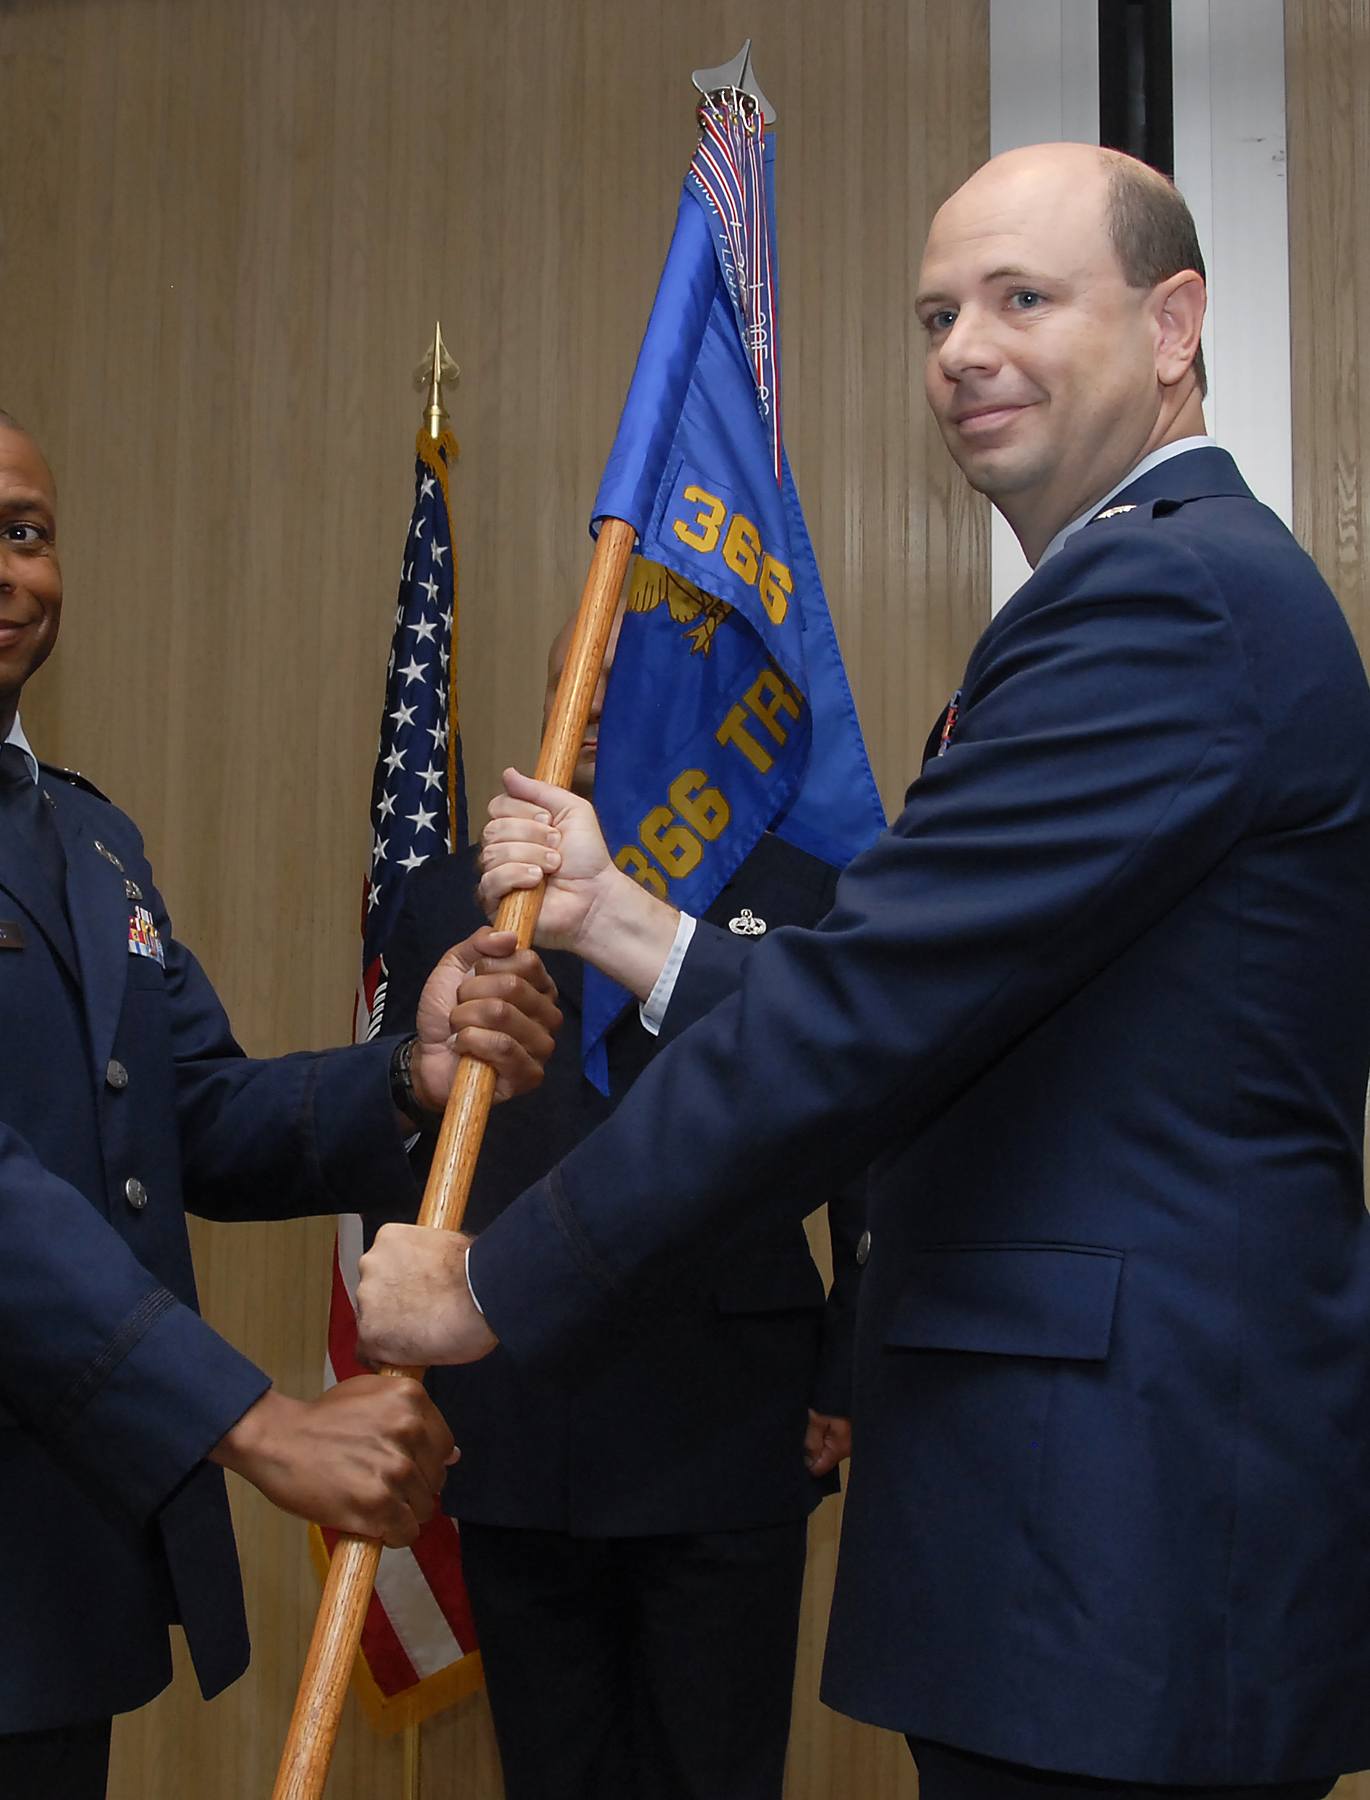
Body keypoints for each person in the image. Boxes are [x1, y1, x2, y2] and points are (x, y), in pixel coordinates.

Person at [357, 145, 1370, 1799]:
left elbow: (865, 1018)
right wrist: (622, 921)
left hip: (1130, 1528)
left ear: (1175, 325)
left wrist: (492, 1286)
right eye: (937, 312)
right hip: (1107, 1530)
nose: (960, 350)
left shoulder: (1165, 602)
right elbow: (938, 1004)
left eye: (1023, 298)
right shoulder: (1153, 590)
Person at [0, 388, 561, 1800]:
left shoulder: (83, 835)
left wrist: (409, 1070)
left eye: (25, 530)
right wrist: (259, 1425)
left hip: (60, 1579)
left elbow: (185, 1111)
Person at [374, 617, 860, 1800]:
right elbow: (399, 1137)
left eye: (625, 686)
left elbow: (862, 1152)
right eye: (572, 682)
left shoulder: (794, 893)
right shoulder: (447, 898)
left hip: (727, 1414)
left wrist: (848, 1373)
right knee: (554, 1770)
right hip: (517, 1411)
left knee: (716, 1770)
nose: (591, 708)